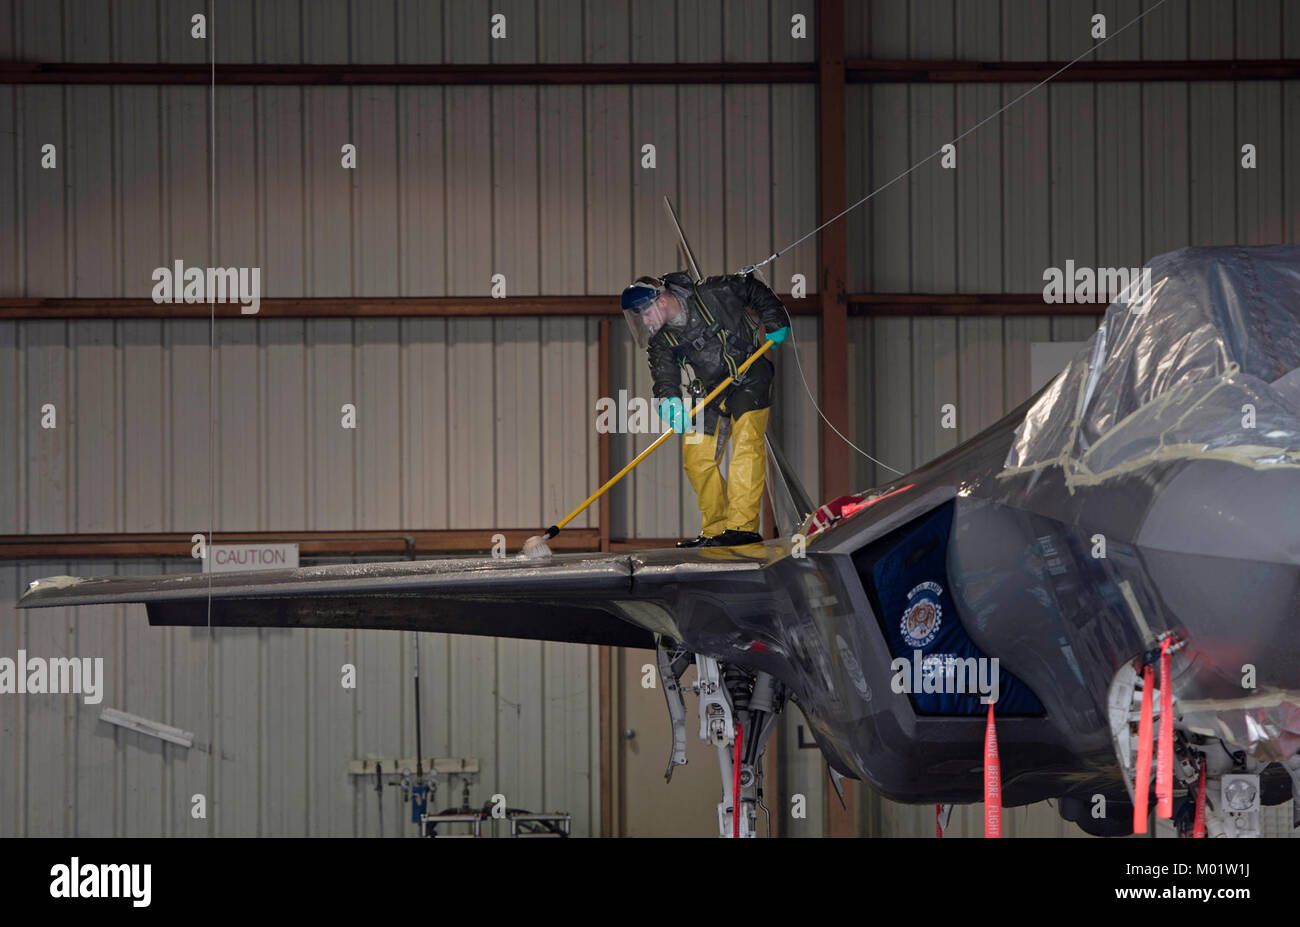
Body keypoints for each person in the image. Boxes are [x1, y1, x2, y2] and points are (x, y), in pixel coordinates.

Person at [620, 271, 791, 547]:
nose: (645, 322)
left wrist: (774, 319)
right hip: (711, 390)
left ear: (661, 300)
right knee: (696, 457)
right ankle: (716, 529)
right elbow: (664, 376)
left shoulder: (714, 292)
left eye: (646, 314)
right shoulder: (662, 341)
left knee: (746, 444)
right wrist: (668, 400)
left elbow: (751, 288)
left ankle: (742, 528)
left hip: (750, 374)